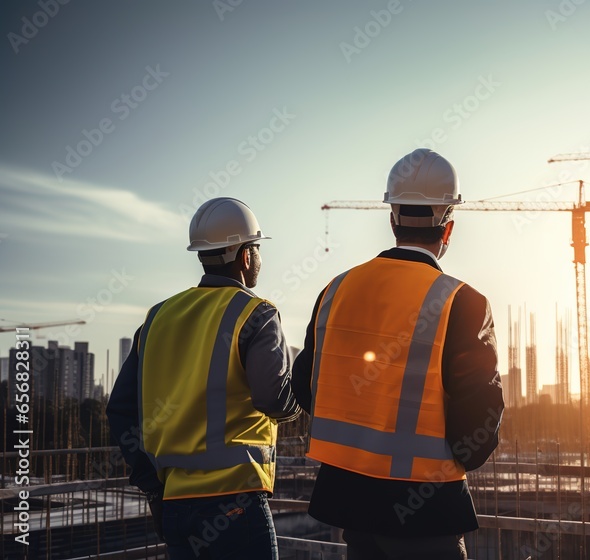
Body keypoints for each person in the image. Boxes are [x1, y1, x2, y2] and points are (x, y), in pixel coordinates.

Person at [292, 148, 504, 560]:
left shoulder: (335, 291)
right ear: (448, 229)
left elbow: (306, 389)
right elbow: (476, 436)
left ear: (392, 219)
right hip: (428, 517)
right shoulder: (463, 303)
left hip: (354, 512)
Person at [107, 197, 300, 560]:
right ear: (245, 256)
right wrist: (301, 396)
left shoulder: (158, 317)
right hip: (236, 503)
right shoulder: (256, 313)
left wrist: (152, 489)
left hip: (175, 505)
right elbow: (273, 399)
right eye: (257, 248)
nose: (259, 257)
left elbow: (119, 410)